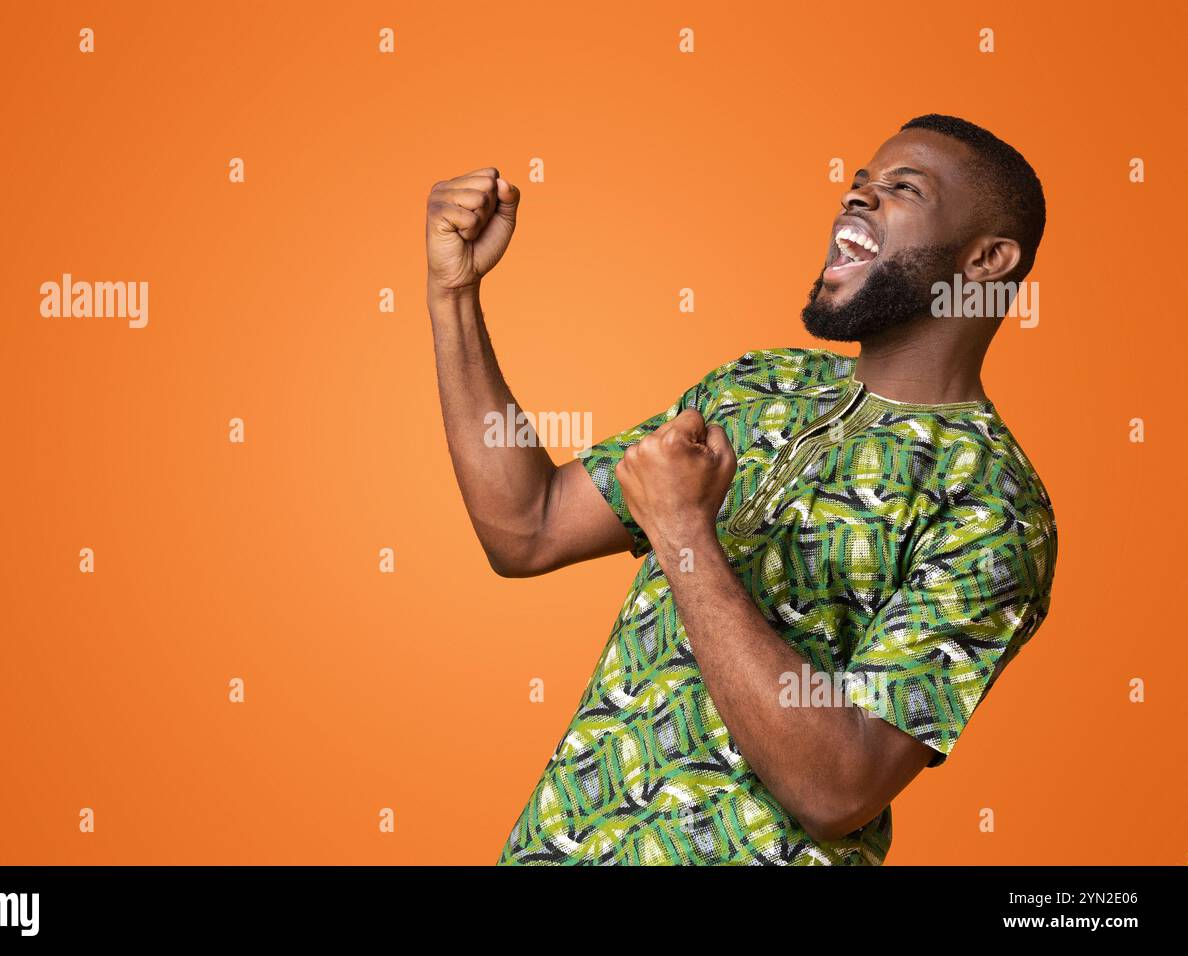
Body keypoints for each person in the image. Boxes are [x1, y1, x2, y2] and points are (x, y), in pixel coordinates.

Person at [424, 114, 1058, 865]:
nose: (857, 199)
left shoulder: (994, 507)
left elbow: (836, 789)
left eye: (901, 190)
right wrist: (452, 295)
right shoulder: (757, 387)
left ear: (987, 259)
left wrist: (686, 538)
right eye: (858, 185)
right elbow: (527, 527)